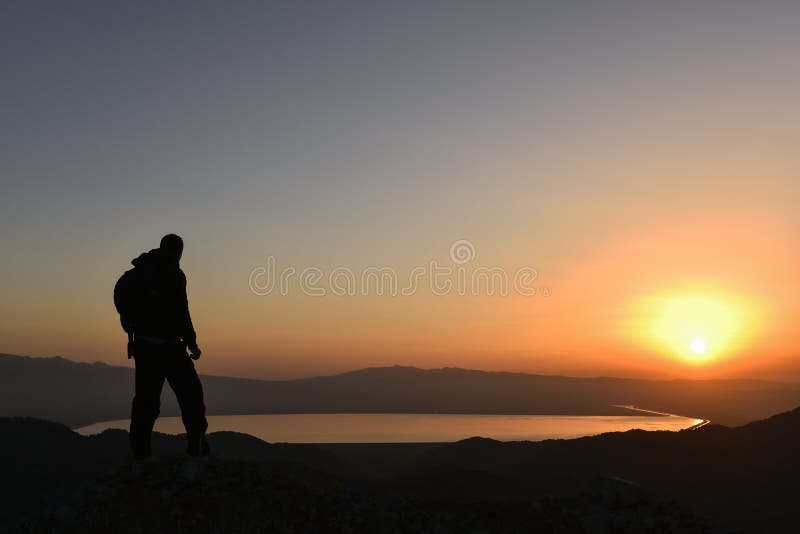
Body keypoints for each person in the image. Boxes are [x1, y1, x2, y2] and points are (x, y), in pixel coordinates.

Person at [120, 234, 209, 461]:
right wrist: (192, 343)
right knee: (190, 396)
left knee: (147, 403)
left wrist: (129, 323)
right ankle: (196, 449)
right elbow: (182, 311)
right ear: (178, 251)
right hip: (168, 348)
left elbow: (120, 294)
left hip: (148, 348)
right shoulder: (174, 275)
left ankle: (140, 455)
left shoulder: (139, 273)